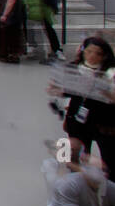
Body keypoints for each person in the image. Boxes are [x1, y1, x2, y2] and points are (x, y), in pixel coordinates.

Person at [49, 36, 115, 167]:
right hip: (78, 117)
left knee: (109, 156)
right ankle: (76, 177)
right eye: (89, 52)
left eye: (98, 53)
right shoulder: (74, 68)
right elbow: (66, 90)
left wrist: (106, 92)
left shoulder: (110, 72)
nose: (92, 56)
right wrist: (57, 90)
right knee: (74, 151)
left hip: (103, 120)